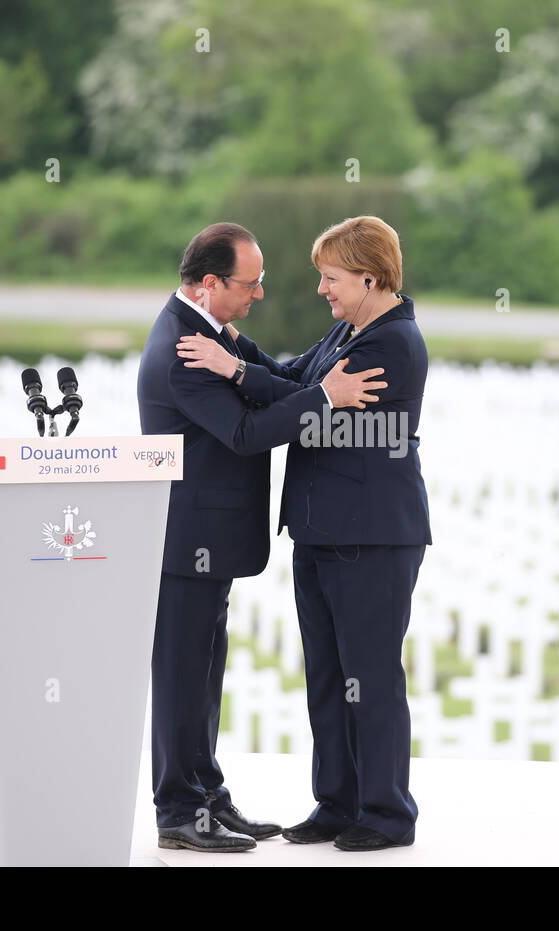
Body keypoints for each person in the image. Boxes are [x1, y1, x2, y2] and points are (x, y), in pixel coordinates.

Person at [175, 216, 430, 850]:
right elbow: (299, 382)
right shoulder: (353, 327)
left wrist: (233, 373)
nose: (323, 289)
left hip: (370, 536)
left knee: (368, 676)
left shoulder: (390, 345)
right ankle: (338, 803)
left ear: (370, 278)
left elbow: (306, 405)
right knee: (328, 675)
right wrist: (235, 348)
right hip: (323, 532)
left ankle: (386, 814)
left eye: (332, 278)